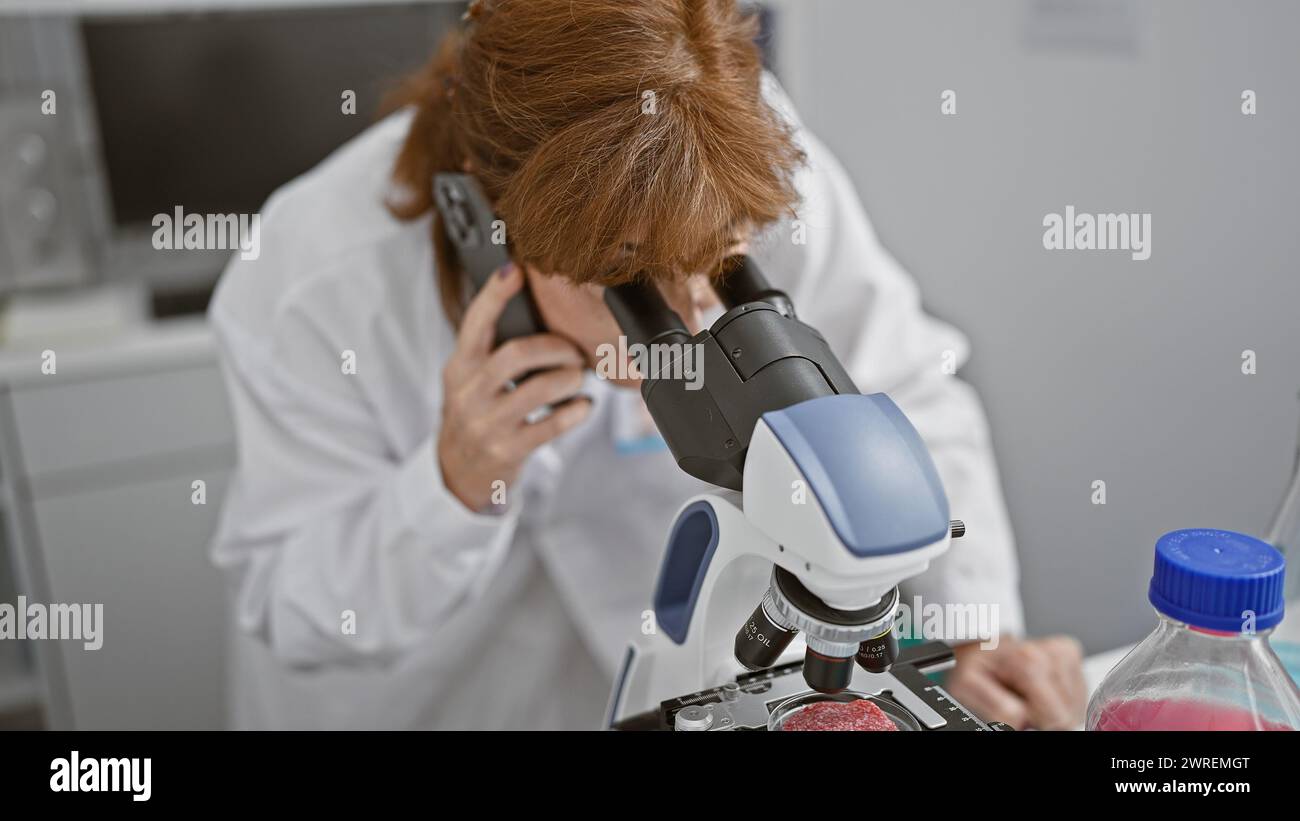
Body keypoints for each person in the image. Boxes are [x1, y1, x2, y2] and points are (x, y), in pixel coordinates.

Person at [208, 0, 1085, 730]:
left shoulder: (722, 148)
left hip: (671, 687)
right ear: (487, 217)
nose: (690, 317)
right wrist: (449, 487)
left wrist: (979, 631)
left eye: (718, 260)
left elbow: (910, 391)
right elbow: (293, 603)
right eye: (623, 281)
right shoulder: (316, 273)